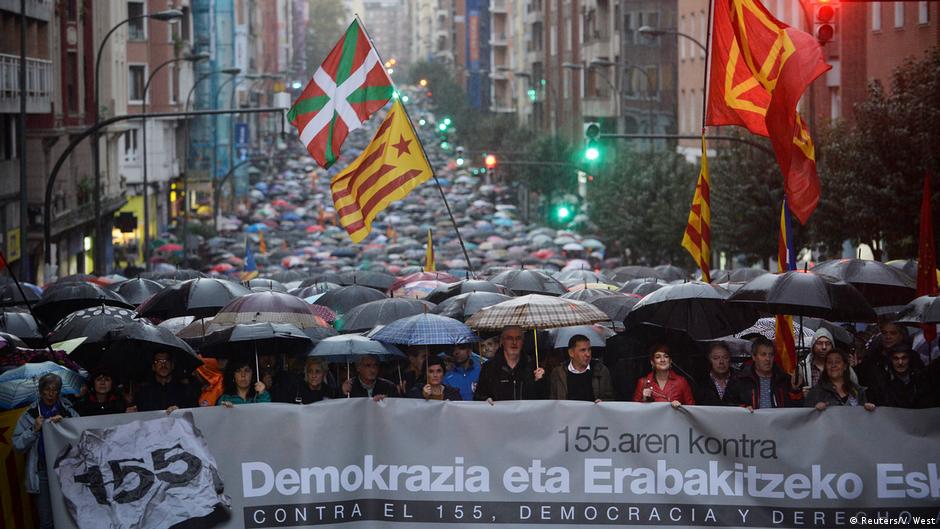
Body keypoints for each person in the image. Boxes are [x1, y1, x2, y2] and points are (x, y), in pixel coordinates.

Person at [13, 374, 79, 529]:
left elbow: (80, 435)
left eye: (55, 390)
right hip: (41, 472)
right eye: (47, 389)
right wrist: (33, 430)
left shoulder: (67, 410)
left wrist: (66, 422)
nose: (51, 393)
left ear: (59, 392)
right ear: (41, 391)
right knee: (46, 520)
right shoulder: (30, 414)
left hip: (66, 471)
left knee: (70, 517)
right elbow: (17, 445)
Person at [728, 337, 803, 410]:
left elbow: (797, 409)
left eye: (771, 355)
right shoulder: (740, 379)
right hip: (750, 422)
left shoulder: (785, 379)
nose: (768, 359)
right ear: (754, 357)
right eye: (763, 354)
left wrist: (795, 389)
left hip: (778, 422)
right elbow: (729, 404)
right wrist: (743, 409)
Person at [474, 326, 546, 402]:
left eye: (518, 338)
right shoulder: (489, 367)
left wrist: (540, 382)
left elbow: (543, 399)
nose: (514, 342)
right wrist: (485, 399)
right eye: (509, 338)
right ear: (502, 341)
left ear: (523, 341)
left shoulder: (533, 366)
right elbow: (478, 396)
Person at [805, 349, 876, 411]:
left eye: (837, 362)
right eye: (829, 362)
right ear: (825, 367)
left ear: (845, 366)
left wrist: (869, 410)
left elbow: (863, 418)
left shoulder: (858, 390)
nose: (833, 365)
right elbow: (808, 418)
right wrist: (815, 410)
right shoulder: (816, 392)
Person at [549, 334, 614, 402]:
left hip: (593, 412)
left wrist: (602, 402)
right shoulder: (558, 373)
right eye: (583, 350)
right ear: (571, 353)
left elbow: (610, 398)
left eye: (589, 349)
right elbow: (553, 401)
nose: (588, 354)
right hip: (567, 412)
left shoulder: (601, 370)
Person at [131, 351, 199, 413]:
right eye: (158, 361)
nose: (163, 365)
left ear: (172, 365)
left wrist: (180, 410)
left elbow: (194, 411)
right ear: (153, 367)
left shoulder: (185, 390)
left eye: (167, 361)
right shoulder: (144, 392)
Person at [694, 342, 737, 406]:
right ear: (709, 360)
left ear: (729, 359)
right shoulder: (701, 383)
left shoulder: (740, 380)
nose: (721, 362)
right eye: (716, 358)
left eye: (725, 357)